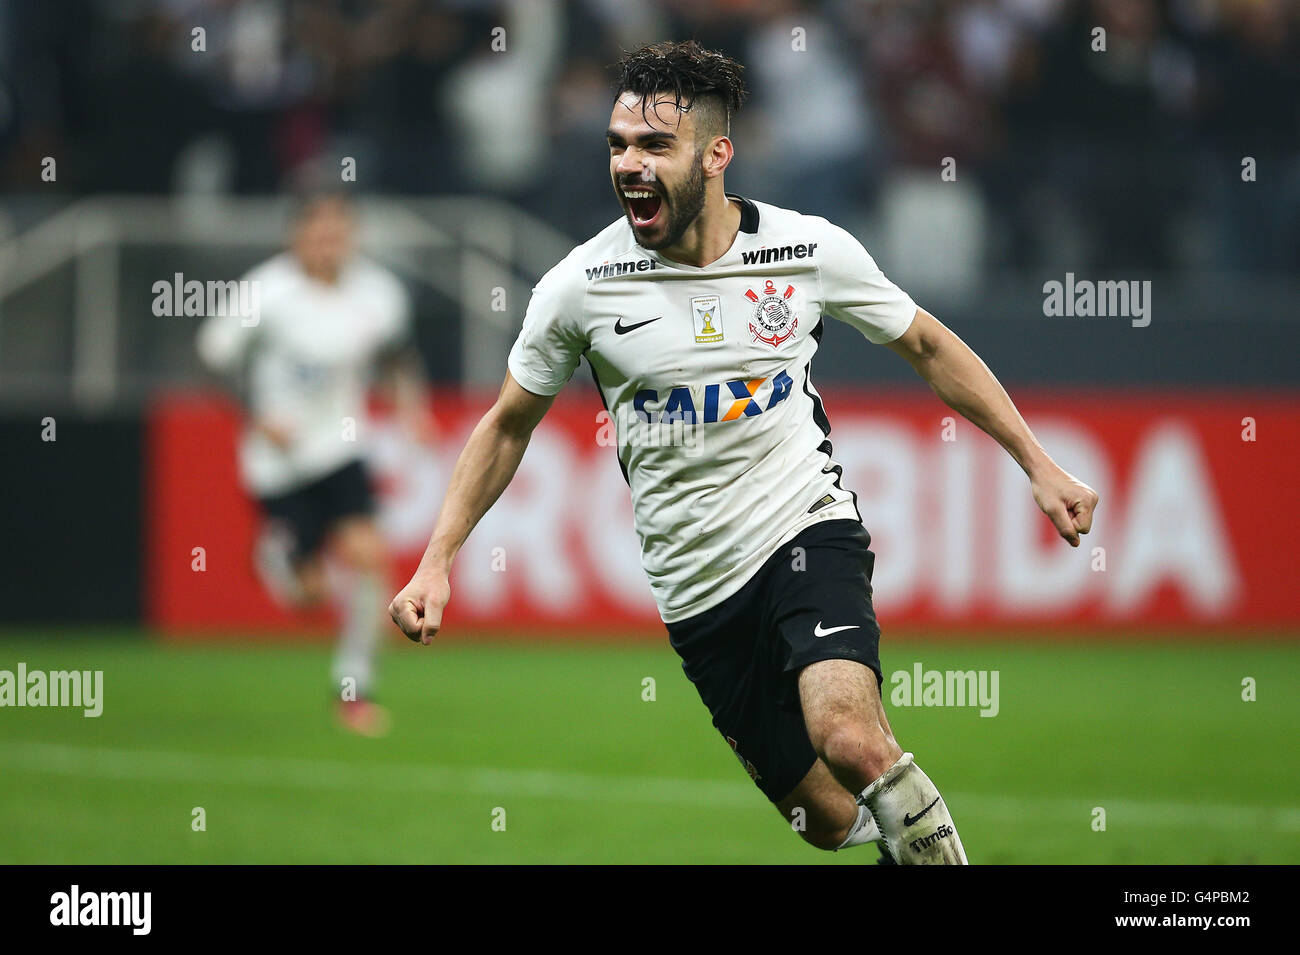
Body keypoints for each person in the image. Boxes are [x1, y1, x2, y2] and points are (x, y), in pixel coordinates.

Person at [389, 42, 1098, 863]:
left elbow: (931, 347)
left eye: (654, 146)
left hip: (806, 529)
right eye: (618, 144)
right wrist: (437, 559)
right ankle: (905, 834)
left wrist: (1038, 463)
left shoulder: (807, 250)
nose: (629, 164)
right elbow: (509, 423)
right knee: (829, 820)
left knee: (850, 736)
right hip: (697, 592)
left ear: (716, 154)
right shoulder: (580, 286)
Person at [198, 192, 433, 736]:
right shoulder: (264, 292)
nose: (330, 243)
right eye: (318, 233)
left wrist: (411, 411)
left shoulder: (377, 292)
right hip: (277, 460)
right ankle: (277, 560)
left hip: (340, 446)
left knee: (372, 558)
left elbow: (397, 357)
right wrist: (259, 415)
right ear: (296, 237)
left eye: (339, 233)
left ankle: (353, 690)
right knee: (309, 596)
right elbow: (211, 357)